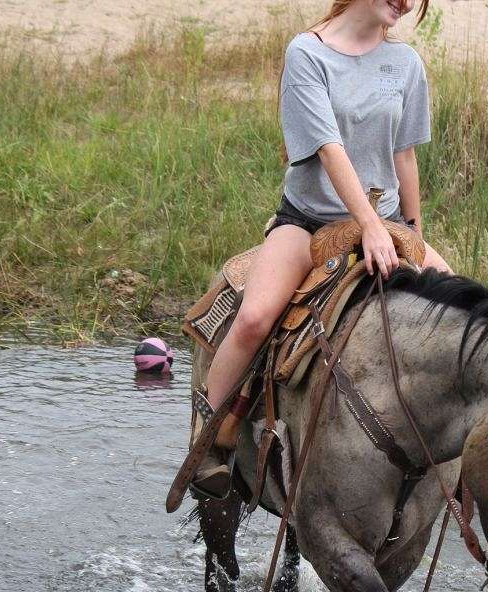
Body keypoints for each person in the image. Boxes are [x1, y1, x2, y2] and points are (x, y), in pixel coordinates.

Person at [191, 0, 451, 497]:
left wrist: (412, 232)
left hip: (388, 222)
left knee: (466, 308)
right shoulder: (307, 54)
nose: (405, 3)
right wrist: (369, 225)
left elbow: (405, 155)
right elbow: (329, 149)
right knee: (253, 318)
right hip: (309, 223)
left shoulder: (407, 64)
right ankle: (211, 440)